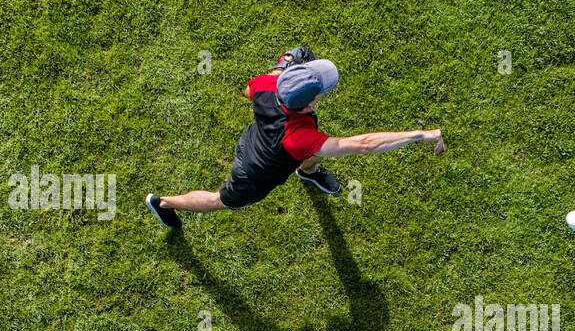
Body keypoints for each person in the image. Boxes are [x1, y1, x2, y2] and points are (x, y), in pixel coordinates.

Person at [147, 51, 445, 229]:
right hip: (254, 173)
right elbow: (365, 144)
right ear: (308, 104)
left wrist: (287, 61)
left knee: (314, 147)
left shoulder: (268, 85)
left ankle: (308, 171)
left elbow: (251, 89)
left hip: (259, 139)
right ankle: (163, 203)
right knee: (219, 200)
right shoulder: (298, 136)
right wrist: (421, 134)